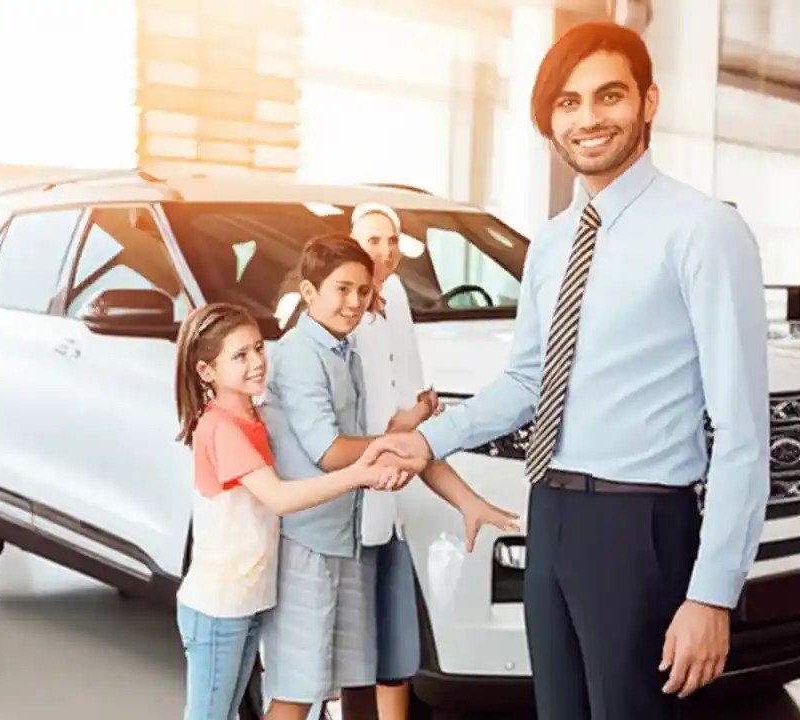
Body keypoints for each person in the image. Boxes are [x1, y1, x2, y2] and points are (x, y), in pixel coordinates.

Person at [368, 21, 770, 720]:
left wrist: (712, 592)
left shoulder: (703, 231)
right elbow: (529, 382)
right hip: (549, 514)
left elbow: (742, 428)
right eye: (568, 103)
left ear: (649, 101)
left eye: (608, 96)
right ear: (549, 122)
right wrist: (430, 440)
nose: (588, 118)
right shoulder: (552, 243)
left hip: (640, 522)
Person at [172, 302, 406, 720]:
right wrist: (359, 474)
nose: (257, 362)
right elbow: (278, 498)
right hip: (218, 606)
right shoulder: (221, 428)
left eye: (258, 348)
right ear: (206, 371)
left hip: (247, 600)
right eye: (239, 356)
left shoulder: (255, 418)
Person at [340, 203, 520, 720]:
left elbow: (407, 412)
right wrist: (416, 415)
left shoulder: (392, 296)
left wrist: (418, 417)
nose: (386, 252)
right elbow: (365, 432)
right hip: (348, 508)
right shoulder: (329, 331)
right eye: (373, 240)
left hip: (393, 499)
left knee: (393, 645)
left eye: (392, 241)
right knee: (346, 655)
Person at [259, 234, 417, 720]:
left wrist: (404, 432)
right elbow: (328, 451)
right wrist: (393, 451)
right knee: (296, 689)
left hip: (344, 537)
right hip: (306, 542)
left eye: (363, 292)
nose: (354, 303)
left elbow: (359, 439)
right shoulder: (301, 356)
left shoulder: (344, 350)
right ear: (309, 293)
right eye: (342, 290)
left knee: (350, 683)